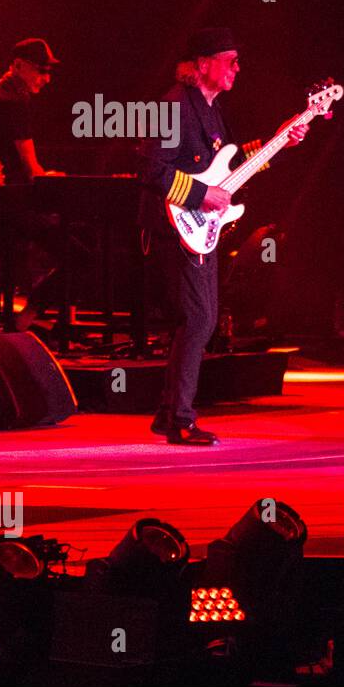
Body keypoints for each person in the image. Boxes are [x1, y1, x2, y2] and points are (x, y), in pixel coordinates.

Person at [137, 27, 306, 445]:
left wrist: (279, 141)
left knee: (201, 319)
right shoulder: (175, 106)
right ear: (202, 64)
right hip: (175, 225)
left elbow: (227, 167)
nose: (237, 67)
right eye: (229, 59)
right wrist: (200, 194)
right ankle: (179, 418)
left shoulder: (210, 109)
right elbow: (152, 169)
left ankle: (168, 413)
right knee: (198, 319)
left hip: (200, 228)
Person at [0, 37, 67, 330]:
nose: (46, 79)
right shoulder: (14, 104)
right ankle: (29, 314)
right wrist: (55, 179)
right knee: (79, 252)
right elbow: (32, 171)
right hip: (8, 210)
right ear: (18, 66)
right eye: (41, 71)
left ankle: (15, 314)